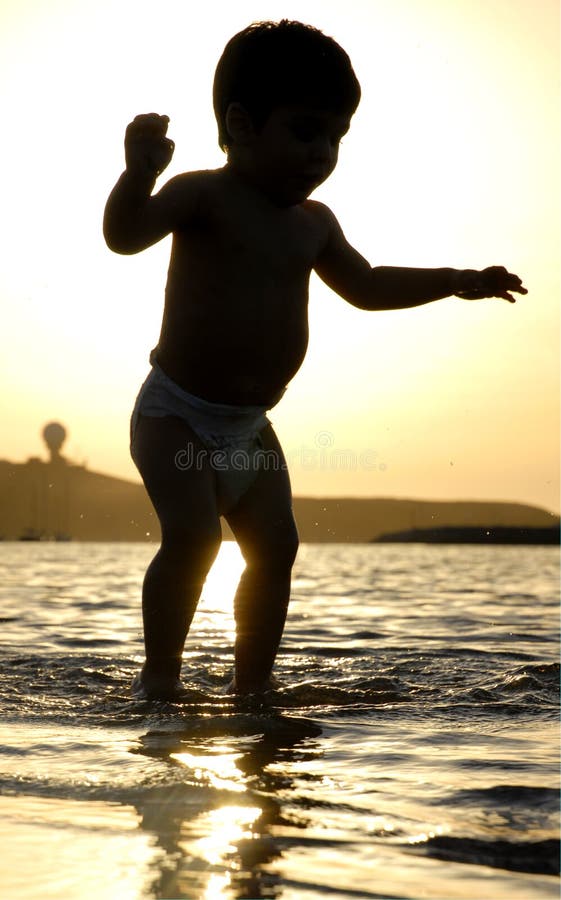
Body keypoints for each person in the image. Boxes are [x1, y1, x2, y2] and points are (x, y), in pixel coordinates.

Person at [103, 20, 527, 700]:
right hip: (175, 414)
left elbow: (365, 285)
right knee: (193, 540)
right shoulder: (200, 194)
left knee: (276, 549)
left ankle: (253, 684)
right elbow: (124, 237)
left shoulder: (313, 222)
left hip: (249, 427)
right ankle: (159, 679)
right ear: (241, 124)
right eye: (304, 132)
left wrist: (453, 278)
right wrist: (137, 176)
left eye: (335, 137)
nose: (321, 152)